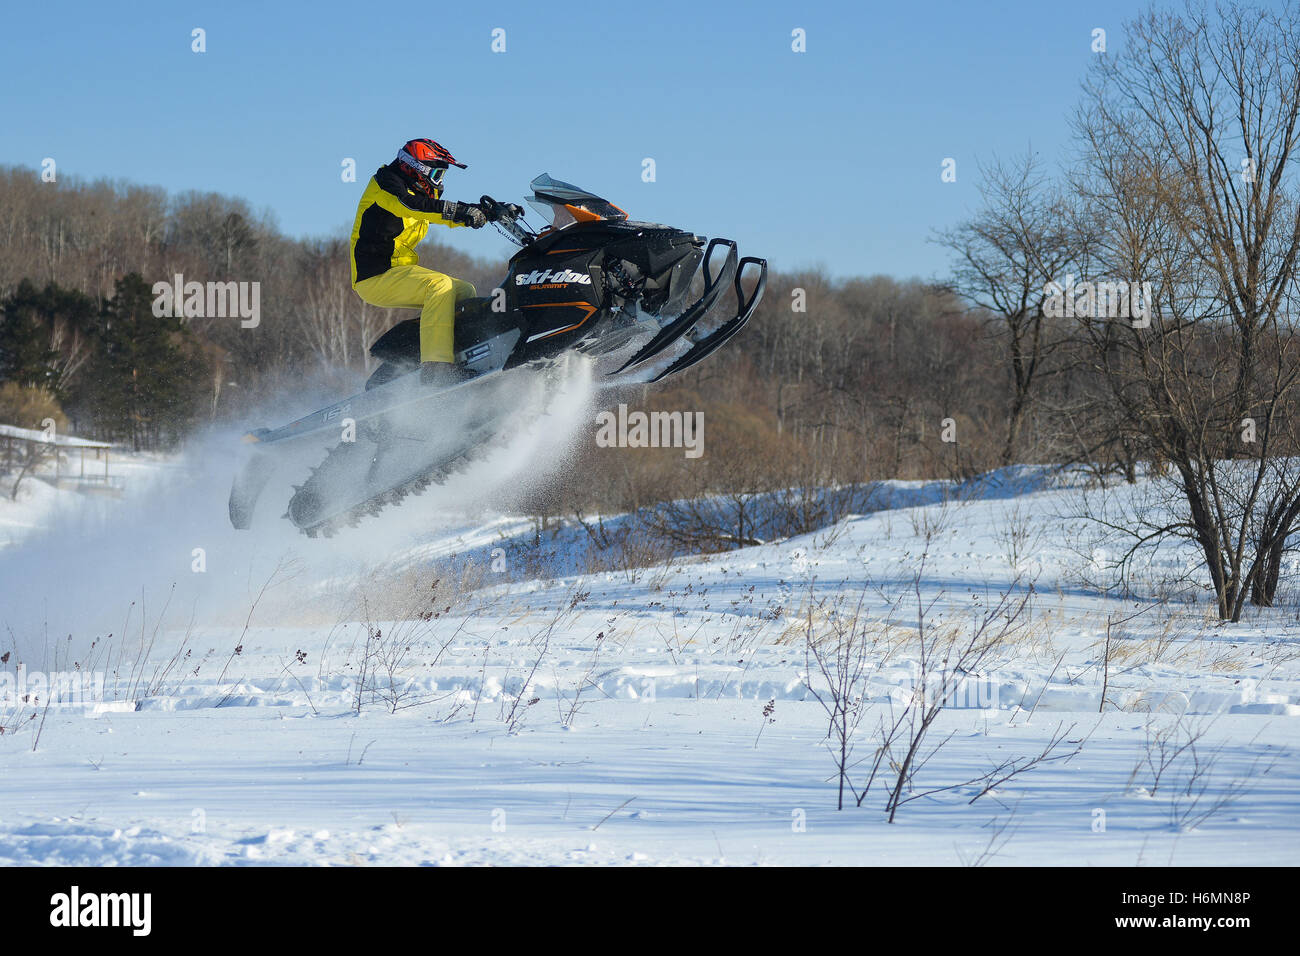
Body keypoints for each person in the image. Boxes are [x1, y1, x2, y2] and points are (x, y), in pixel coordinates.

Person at [349, 138, 488, 385]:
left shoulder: (415, 190)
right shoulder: (386, 185)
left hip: (400, 270)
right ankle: (436, 369)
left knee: (464, 291)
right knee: (440, 286)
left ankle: (463, 355)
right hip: (375, 275)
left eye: (442, 174)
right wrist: (463, 212)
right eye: (436, 173)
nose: (440, 180)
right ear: (414, 168)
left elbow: (432, 208)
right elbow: (415, 207)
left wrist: (485, 212)